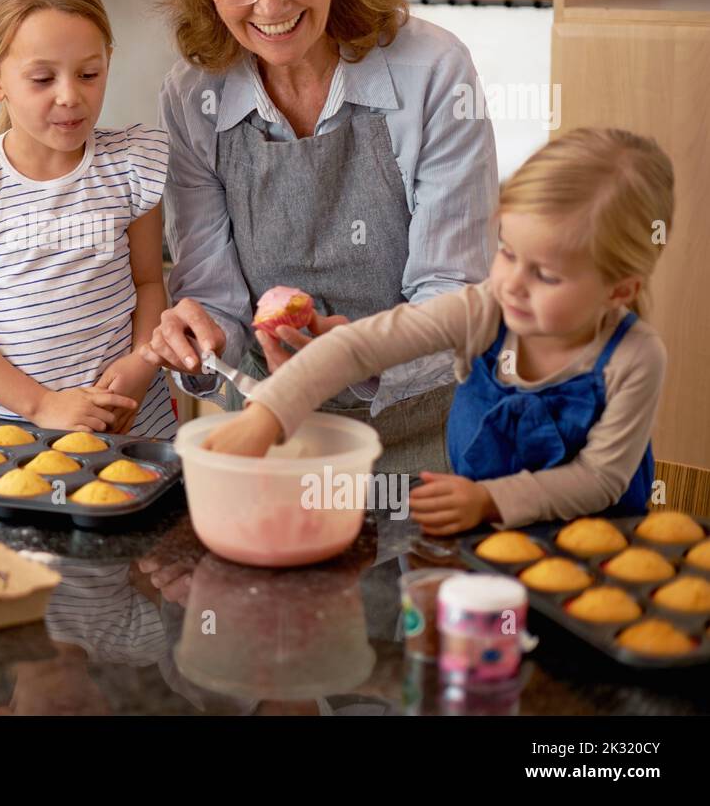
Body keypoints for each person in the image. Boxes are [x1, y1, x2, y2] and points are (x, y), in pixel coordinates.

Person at [141, 0, 498, 474]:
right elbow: (217, 295)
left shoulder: (434, 72)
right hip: (275, 443)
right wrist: (201, 336)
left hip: (431, 443)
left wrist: (348, 353)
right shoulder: (194, 96)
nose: (269, 5)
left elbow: (454, 301)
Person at [202, 129, 673, 534]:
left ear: (619, 290)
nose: (512, 285)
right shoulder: (484, 310)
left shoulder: (636, 357)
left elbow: (601, 478)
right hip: (480, 537)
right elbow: (357, 347)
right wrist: (266, 416)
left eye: (546, 276)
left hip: (593, 551)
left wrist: (490, 500)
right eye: (507, 252)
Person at [0, 0, 177, 437]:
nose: (70, 96)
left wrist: (142, 363)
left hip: (132, 425)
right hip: (12, 434)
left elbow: (149, 284)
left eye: (89, 74)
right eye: (42, 79)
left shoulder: (131, 166)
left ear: (108, 64)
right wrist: (41, 405)